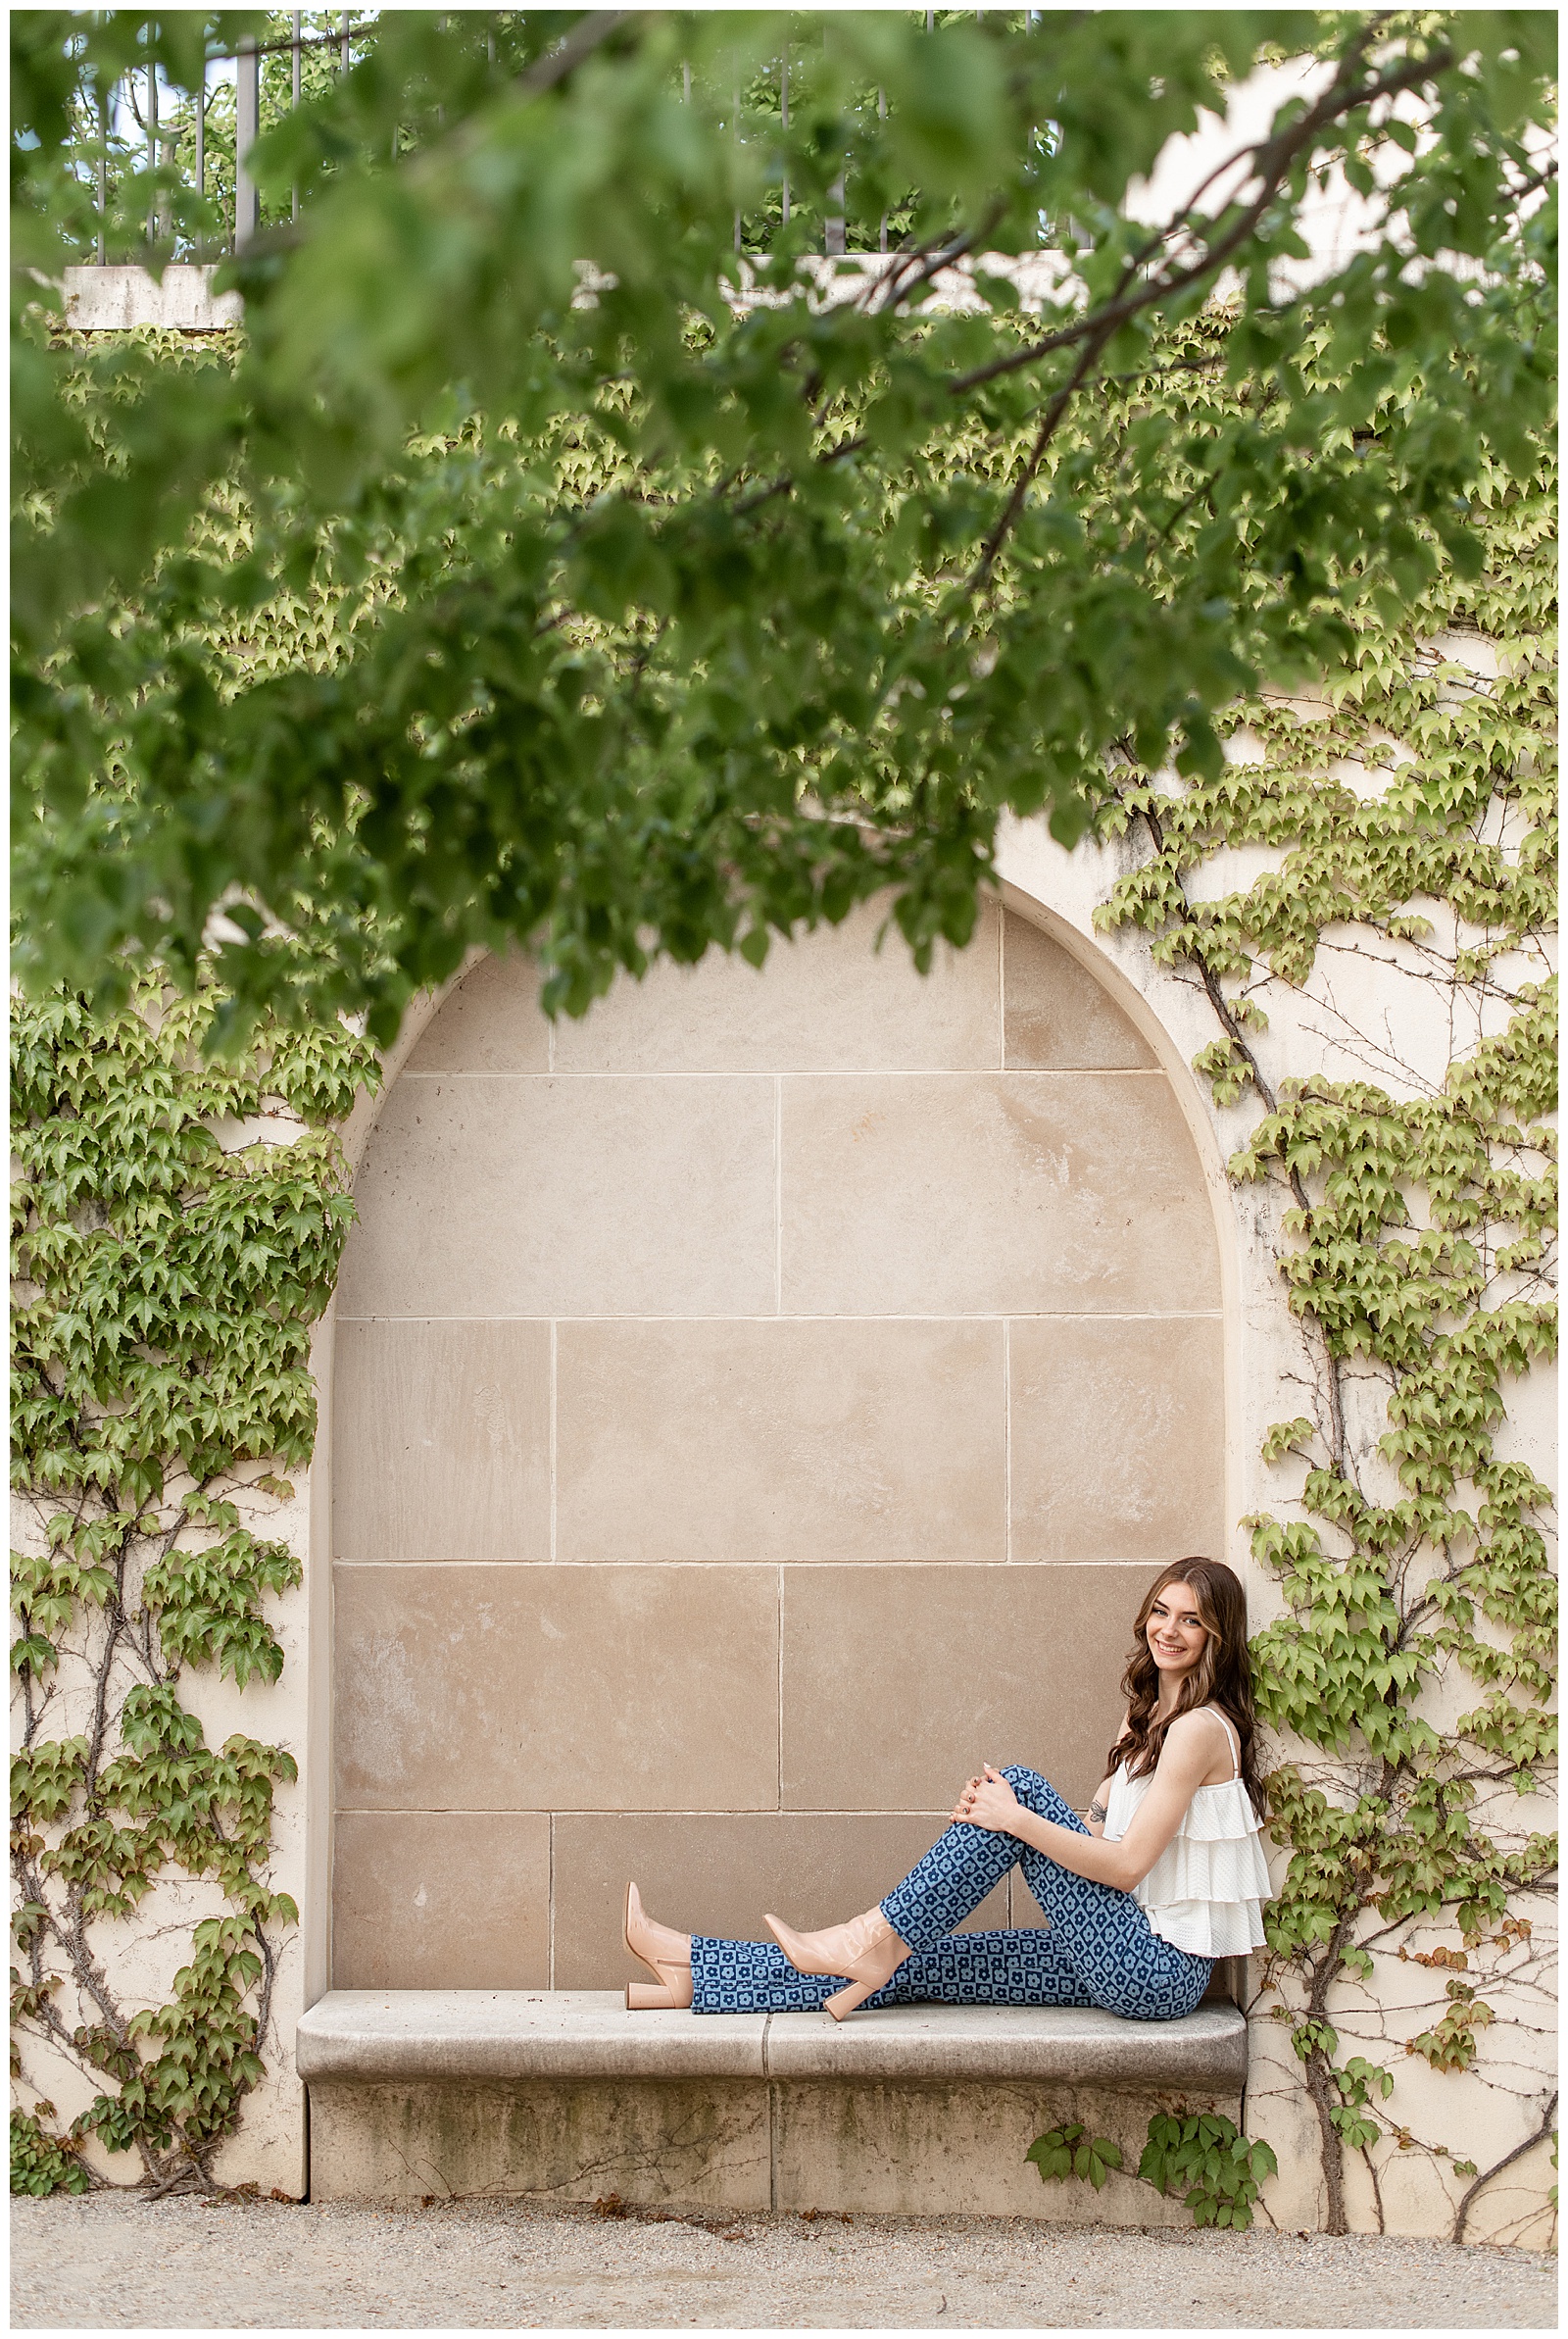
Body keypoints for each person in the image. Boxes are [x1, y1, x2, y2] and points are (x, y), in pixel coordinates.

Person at [623, 1557, 1271, 2022]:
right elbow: (1096, 1839)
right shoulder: (1144, 1718)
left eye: (1191, 1620)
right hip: (1115, 1941)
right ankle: (694, 1971)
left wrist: (1013, 1818)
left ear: (1216, 1637)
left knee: (1018, 1790)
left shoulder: (1198, 1731)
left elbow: (1126, 1868)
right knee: (919, 1960)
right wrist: (1008, 1821)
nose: (1168, 1629)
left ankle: (865, 1935)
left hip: (1154, 1971)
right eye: (1160, 1611)